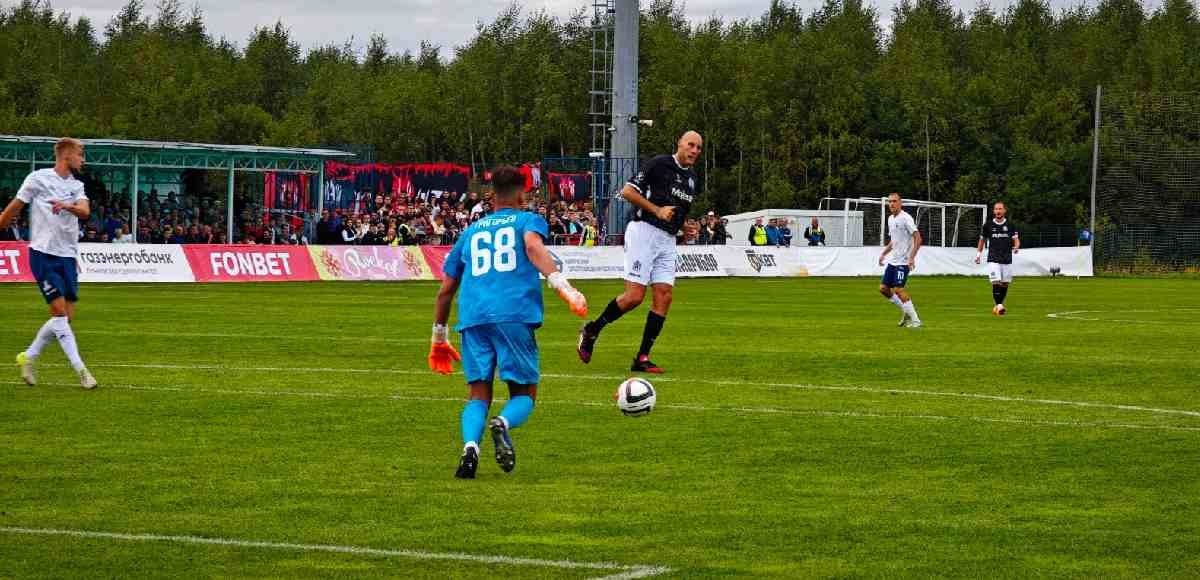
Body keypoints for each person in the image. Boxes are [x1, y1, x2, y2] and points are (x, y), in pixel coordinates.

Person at [430, 166, 588, 480]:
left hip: (473, 317)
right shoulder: (527, 219)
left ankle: (470, 448)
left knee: (478, 394)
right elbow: (532, 247)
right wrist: (563, 286)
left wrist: (438, 337)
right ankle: (503, 423)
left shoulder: (470, 232)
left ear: (491, 196)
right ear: (521, 195)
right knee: (524, 394)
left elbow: (445, 290)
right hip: (513, 314)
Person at [577, 130, 701, 374]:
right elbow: (627, 192)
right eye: (691, 145)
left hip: (667, 239)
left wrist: (684, 227)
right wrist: (656, 210)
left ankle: (642, 357)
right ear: (679, 143)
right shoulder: (659, 164)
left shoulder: (692, 178)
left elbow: (678, 210)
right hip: (644, 231)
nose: (695, 150)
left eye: (698, 147)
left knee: (664, 296)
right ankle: (592, 330)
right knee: (634, 296)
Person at [0, 138, 98, 388]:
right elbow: (14, 207)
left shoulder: (77, 186)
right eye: (80, 154)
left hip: (68, 256)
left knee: (65, 319)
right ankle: (82, 372)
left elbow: (85, 212)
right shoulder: (37, 179)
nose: (82, 159)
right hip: (43, 254)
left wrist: (68, 205)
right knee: (59, 314)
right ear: (66, 155)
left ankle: (27, 356)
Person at [878, 192, 923, 328]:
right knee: (884, 288)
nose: (891, 204)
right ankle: (906, 310)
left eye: (894, 201)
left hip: (903, 262)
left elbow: (918, 238)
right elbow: (893, 241)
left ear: (900, 203)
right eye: (889, 201)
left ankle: (916, 320)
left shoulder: (906, 218)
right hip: (893, 261)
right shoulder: (890, 219)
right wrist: (883, 254)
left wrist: (911, 258)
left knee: (898, 289)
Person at [976, 201, 1019, 315]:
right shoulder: (988, 225)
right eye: (996, 209)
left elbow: (1016, 239)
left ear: (1004, 210)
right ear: (994, 211)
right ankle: (1000, 306)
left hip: (1007, 259)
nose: (998, 211)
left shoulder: (1010, 225)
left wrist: (1016, 247)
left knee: (1005, 284)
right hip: (993, 259)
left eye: (1000, 209)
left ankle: (997, 306)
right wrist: (978, 255)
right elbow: (982, 240)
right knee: (996, 282)